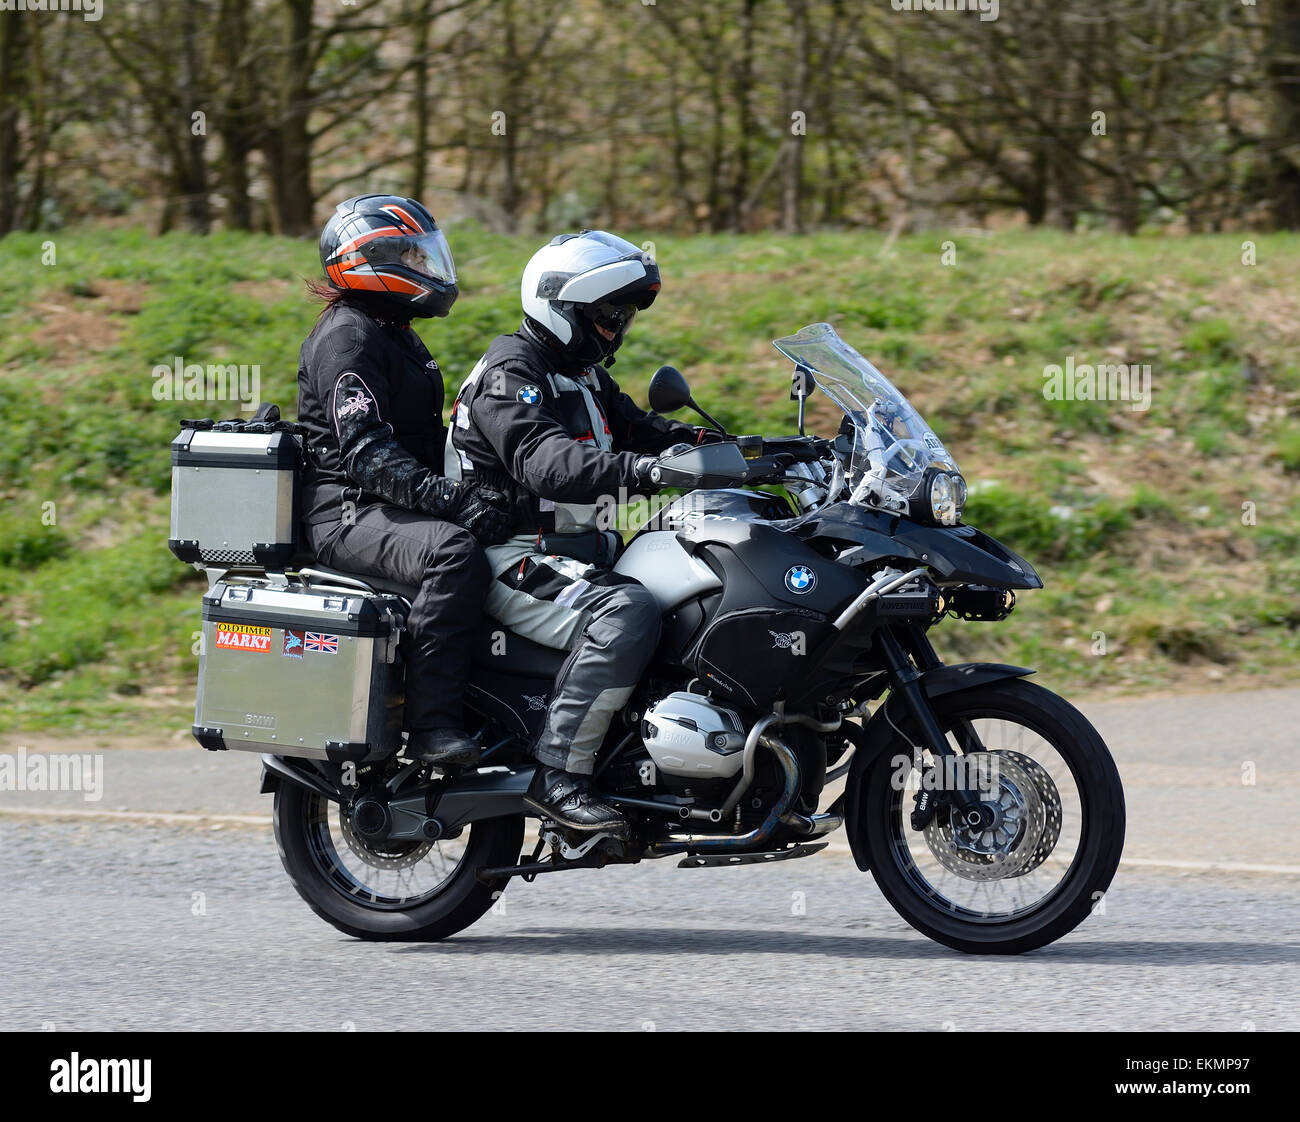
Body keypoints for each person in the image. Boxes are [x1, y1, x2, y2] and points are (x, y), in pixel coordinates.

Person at [445, 230, 723, 835]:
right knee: (622, 613)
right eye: (604, 315)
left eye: (621, 317)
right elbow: (546, 464)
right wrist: (651, 472)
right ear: (559, 307)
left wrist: (747, 450)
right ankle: (558, 776)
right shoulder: (511, 373)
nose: (614, 329)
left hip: (578, 552)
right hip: (512, 557)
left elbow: (645, 431)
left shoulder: (583, 377)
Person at [297, 194, 512, 768]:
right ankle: (432, 727)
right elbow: (368, 456)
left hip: (383, 504)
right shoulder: (349, 338)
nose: (426, 268)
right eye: (411, 257)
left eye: (425, 257)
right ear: (369, 261)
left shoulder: (393, 332)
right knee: (453, 554)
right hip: (345, 512)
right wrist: (454, 503)